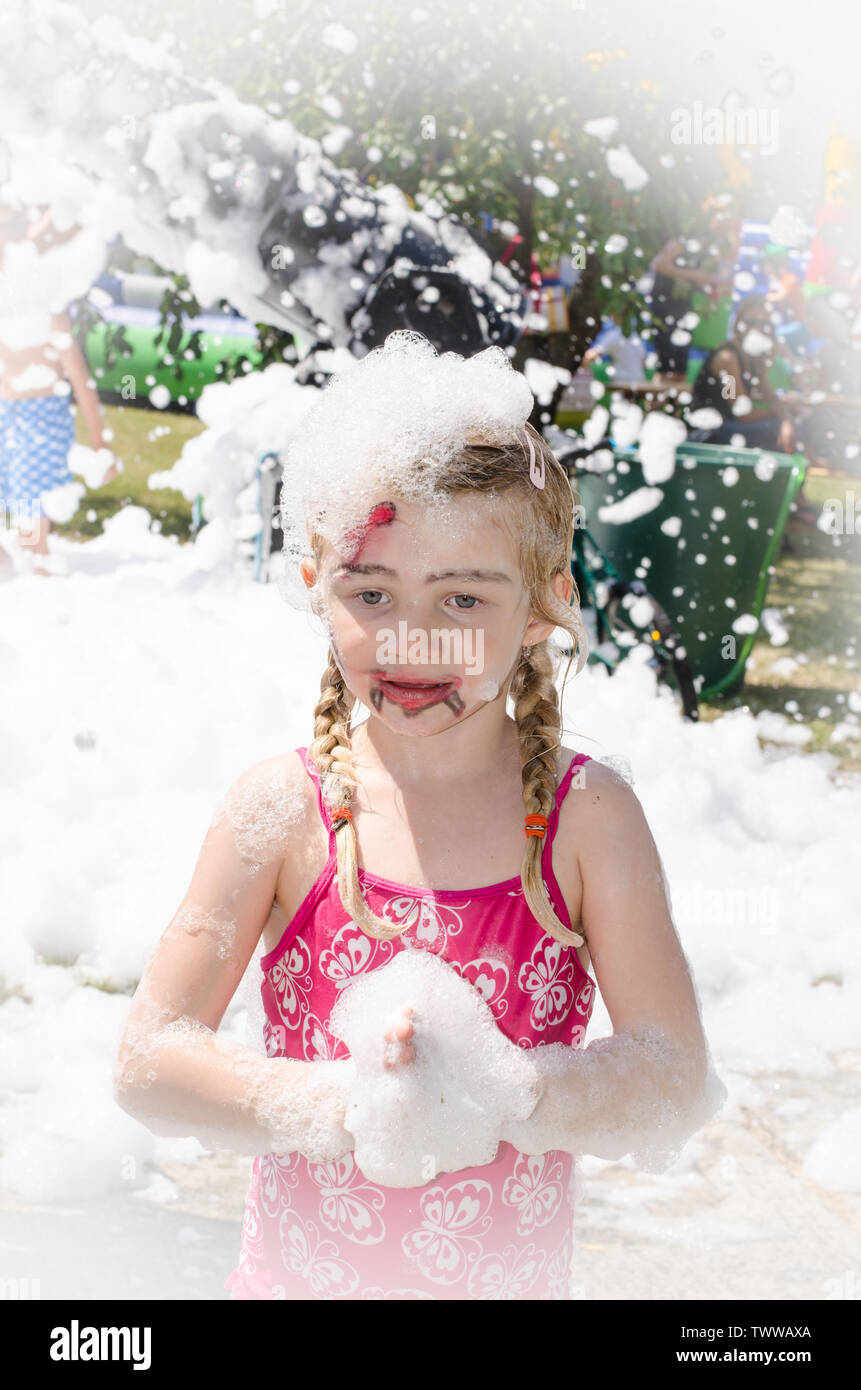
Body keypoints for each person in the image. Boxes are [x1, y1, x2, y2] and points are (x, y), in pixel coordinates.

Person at [113, 333, 725, 1301]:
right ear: (316, 588)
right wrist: (332, 1103)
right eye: (372, 592)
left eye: (463, 597)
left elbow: (674, 1074)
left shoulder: (584, 817)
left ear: (542, 608)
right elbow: (149, 1061)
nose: (411, 637)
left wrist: (514, 1093)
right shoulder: (282, 811)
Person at [0, 199, 118, 576]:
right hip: (7, 412)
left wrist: (100, 444)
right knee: (18, 523)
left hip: (40, 417)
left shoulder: (47, 303)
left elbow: (80, 381)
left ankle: (39, 576)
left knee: (31, 522)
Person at [686, 293, 798, 453]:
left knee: (792, 425)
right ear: (739, 324)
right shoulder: (727, 358)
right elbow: (742, 414)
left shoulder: (754, 359)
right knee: (774, 429)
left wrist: (786, 419)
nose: (756, 329)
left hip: (727, 429)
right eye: (750, 322)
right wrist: (780, 417)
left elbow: (773, 399)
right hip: (706, 434)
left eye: (763, 323)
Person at [646, 197, 736, 376]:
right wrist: (698, 276)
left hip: (683, 305)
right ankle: (658, 400)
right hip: (665, 304)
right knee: (666, 361)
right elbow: (659, 264)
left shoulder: (710, 245)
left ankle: (674, 401)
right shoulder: (685, 239)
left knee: (680, 363)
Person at [580, 313, 648, 385]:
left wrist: (578, 363)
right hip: (640, 381)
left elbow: (591, 355)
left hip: (622, 382)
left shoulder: (614, 335)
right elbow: (644, 363)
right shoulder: (635, 336)